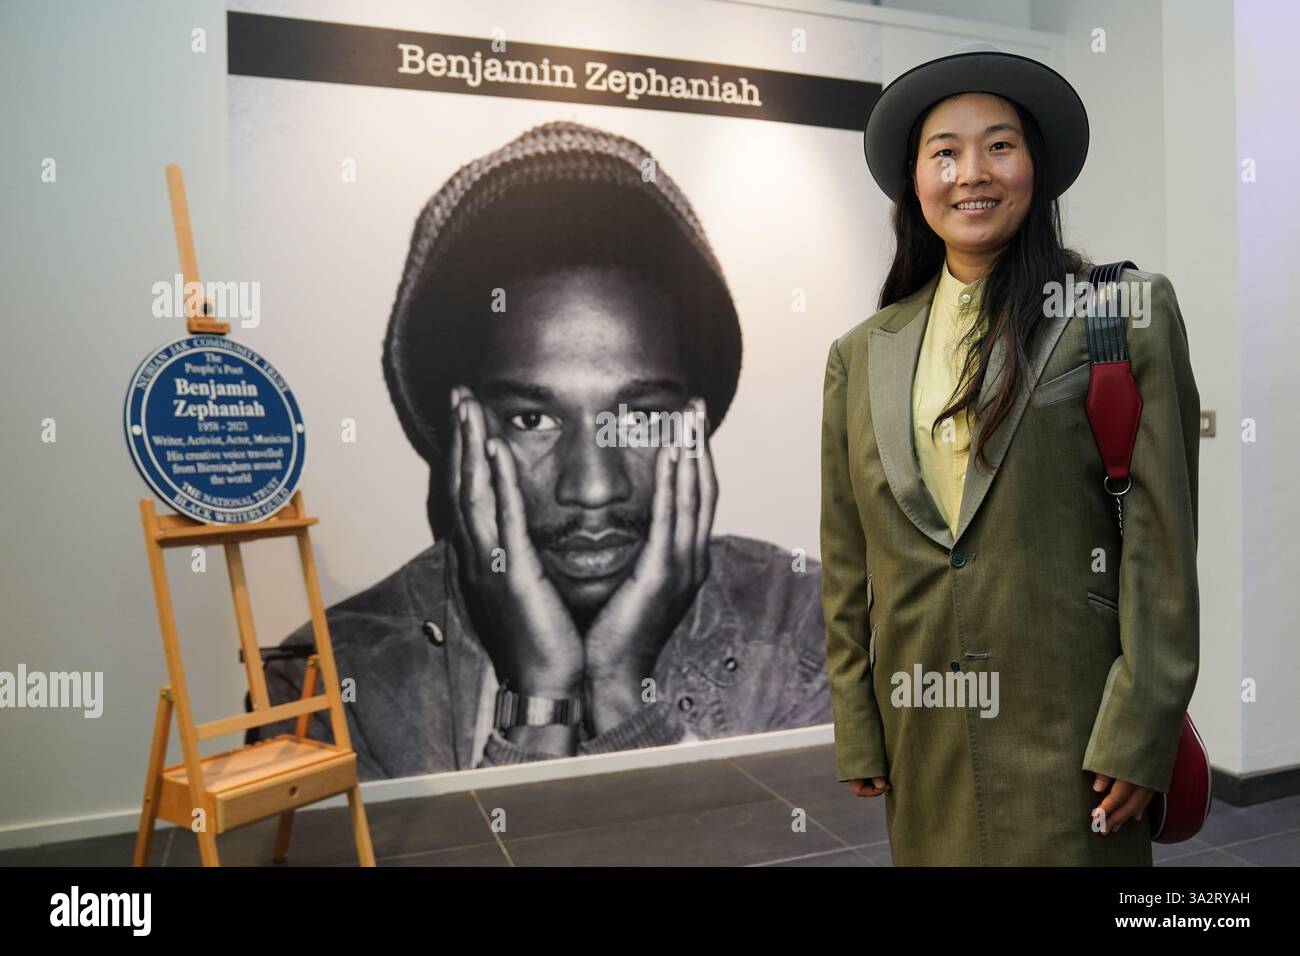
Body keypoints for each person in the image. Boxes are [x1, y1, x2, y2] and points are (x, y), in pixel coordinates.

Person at [257, 120, 831, 779]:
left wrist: (622, 695)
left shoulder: (805, 622)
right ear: (462, 431)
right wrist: (538, 708)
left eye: (639, 417)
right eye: (533, 417)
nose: (592, 488)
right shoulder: (331, 685)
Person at [820, 43, 1200, 865]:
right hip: (924, 721)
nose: (972, 173)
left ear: (1036, 167)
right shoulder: (863, 352)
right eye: (944, 153)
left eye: (1000, 145)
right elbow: (847, 555)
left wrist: (1142, 730)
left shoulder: (1121, 312)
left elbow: (1162, 547)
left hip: (1073, 720)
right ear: (913, 181)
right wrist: (858, 721)